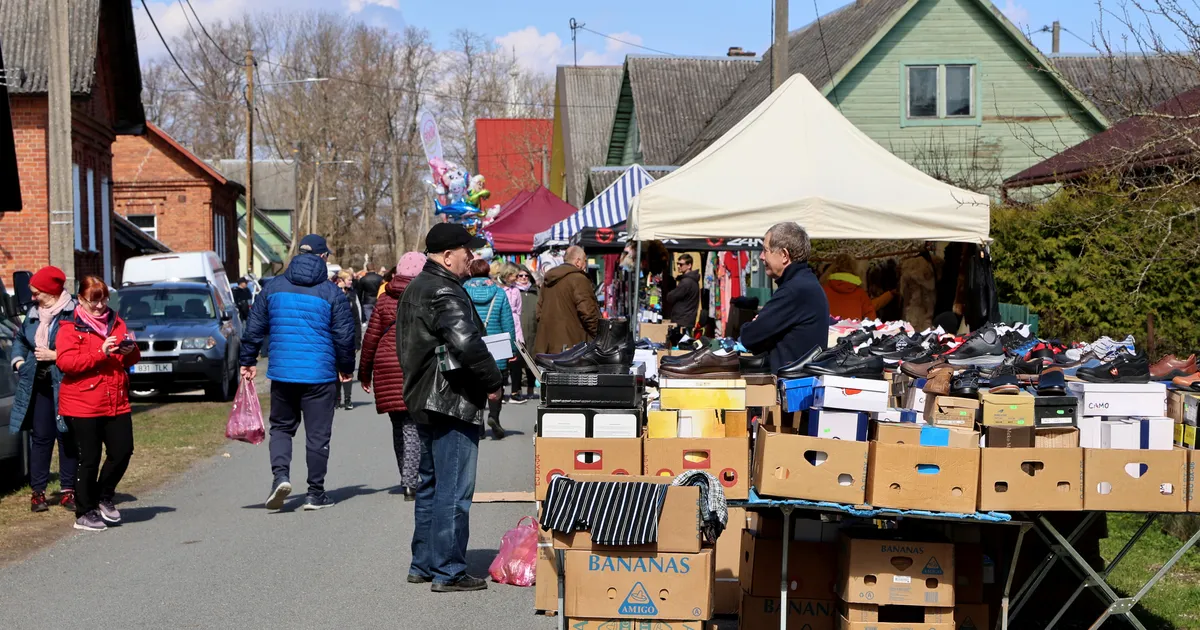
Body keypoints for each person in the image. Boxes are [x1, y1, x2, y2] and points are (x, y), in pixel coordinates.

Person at [397, 223, 504, 593]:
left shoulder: (417, 286)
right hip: (451, 399)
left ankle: (424, 563)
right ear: (447, 256)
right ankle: (448, 570)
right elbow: (468, 343)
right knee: (454, 489)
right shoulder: (444, 289)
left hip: (425, 397)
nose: (471, 257)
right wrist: (493, 381)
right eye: (466, 252)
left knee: (430, 484)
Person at [240, 234, 356, 512]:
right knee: (318, 435)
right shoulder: (331, 293)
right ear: (323, 258)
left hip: (283, 373)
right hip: (320, 375)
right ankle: (315, 493)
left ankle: (280, 476)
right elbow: (344, 336)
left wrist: (248, 359)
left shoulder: (273, 287)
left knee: (281, 427)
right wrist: (346, 368)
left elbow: (254, 326)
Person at [54, 276, 140, 531]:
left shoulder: (117, 321)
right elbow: (66, 363)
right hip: (83, 402)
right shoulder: (70, 327)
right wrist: (100, 353)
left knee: (123, 450)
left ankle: (104, 497)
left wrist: (129, 351)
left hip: (116, 399)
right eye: (95, 300)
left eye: (104, 299)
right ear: (80, 299)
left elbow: (132, 355)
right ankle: (84, 511)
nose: (101, 305)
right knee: (89, 458)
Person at [9, 266, 78, 513]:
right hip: (38, 384)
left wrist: (56, 355)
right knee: (41, 438)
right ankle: (38, 493)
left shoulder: (74, 313)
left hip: (66, 383)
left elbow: (82, 347)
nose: (33, 297)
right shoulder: (33, 313)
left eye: (37, 292)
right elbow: (20, 340)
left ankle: (68, 491)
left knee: (67, 435)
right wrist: (18, 361)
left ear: (51, 290)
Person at [358, 254, 425, 500]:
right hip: (416, 365)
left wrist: (364, 374)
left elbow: (371, 339)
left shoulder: (385, 300)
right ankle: (412, 481)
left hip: (386, 366)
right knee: (414, 426)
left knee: (400, 426)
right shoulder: (426, 298)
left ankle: (406, 478)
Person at [740, 222, 830, 372]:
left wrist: (754, 325)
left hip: (793, 387)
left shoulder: (795, 290)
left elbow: (749, 337)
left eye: (765, 250)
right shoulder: (803, 283)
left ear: (784, 255)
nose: (762, 257)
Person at [463, 259, 517, 439]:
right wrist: (512, 350)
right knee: (496, 386)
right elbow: (508, 323)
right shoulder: (499, 293)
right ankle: (494, 417)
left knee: (475, 385)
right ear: (488, 272)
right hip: (497, 348)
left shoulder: (462, 291)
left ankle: (478, 423)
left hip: (472, 346)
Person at [534, 245, 600, 354]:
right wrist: (599, 336)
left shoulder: (547, 281)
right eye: (585, 261)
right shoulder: (579, 279)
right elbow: (588, 313)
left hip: (547, 346)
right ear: (578, 261)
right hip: (573, 347)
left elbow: (538, 313)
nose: (585, 265)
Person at [822, 254, 894, 321]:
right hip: (853, 333)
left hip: (828, 333)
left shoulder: (822, 291)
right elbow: (870, 319)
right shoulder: (860, 293)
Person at [336, 270, 363, 411]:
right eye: (339, 288)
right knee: (335, 372)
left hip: (348, 341)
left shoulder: (351, 301)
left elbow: (357, 322)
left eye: (344, 288)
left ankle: (347, 399)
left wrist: (358, 341)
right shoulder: (329, 301)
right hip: (333, 342)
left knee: (347, 371)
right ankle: (337, 398)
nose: (342, 290)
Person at [664, 254, 701, 331]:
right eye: (677, 264)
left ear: (689, 265)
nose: (678, 266)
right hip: (687, 319)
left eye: (681, 264)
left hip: (682, 321)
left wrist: (670, 290)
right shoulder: (693, 280)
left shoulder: (686, 282)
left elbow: (670, 297)